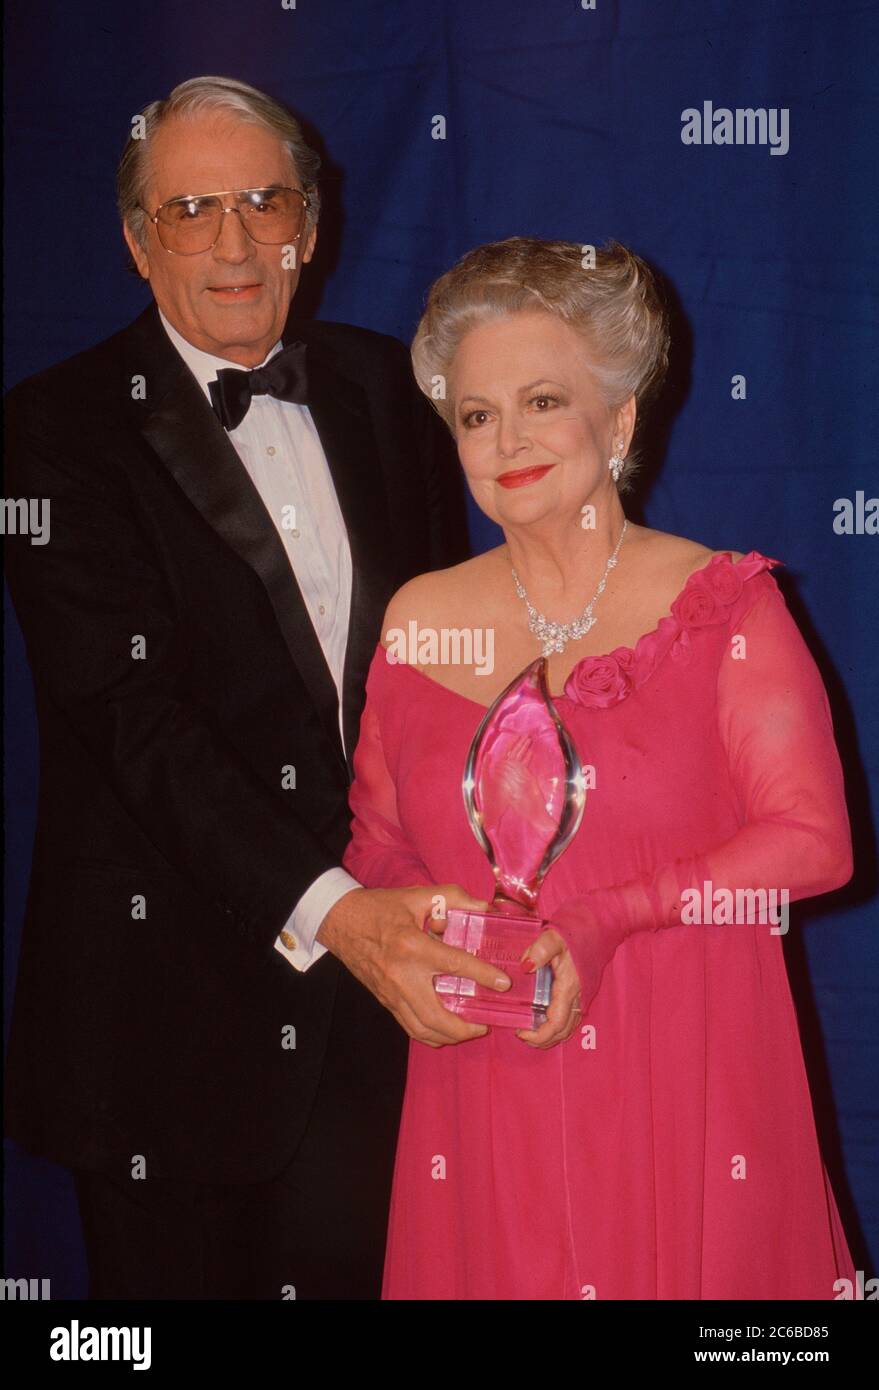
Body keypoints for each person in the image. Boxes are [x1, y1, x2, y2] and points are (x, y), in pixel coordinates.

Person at [3, 75, 512, 1301]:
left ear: (312, 223)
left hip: (377, 1019)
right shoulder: (47, 432)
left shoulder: (394, 389)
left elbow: (437, 672)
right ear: (137, 241)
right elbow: (134, 728)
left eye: (262, 201)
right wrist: (344, 913)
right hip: (160, 1033)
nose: (234, 242)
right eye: (189, 209)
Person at [342, 236, 858, 1300]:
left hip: (689, 1091)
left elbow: (814, 841)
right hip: (481, 1094)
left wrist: (610, 915)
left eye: (542, 401)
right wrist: (420, 940)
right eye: (476, 414)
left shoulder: (725, 605)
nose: (505, 440)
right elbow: (378, 848)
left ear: (619, 420)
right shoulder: (417, 621)